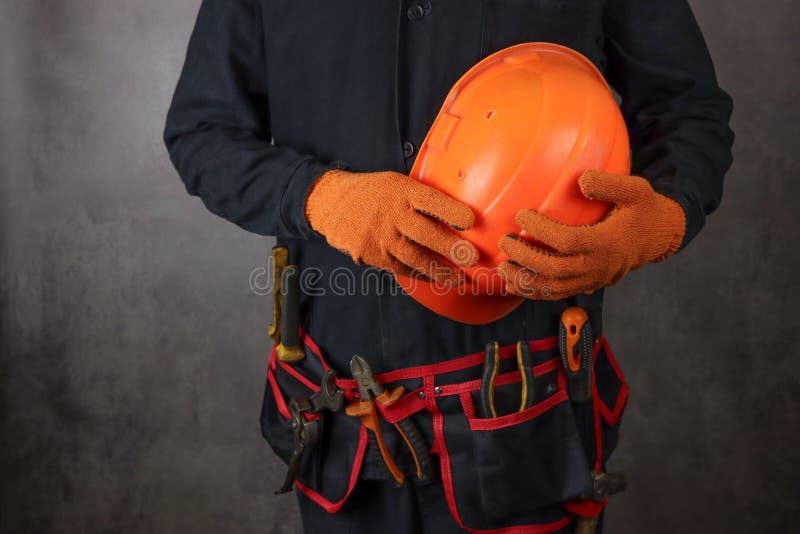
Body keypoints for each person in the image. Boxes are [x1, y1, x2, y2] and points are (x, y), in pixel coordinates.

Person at [164, 1, 733, 532]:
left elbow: (685, 111)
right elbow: (203, 132)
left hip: (528, 427)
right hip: (343, 431)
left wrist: (662, 222)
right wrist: (320, 198)